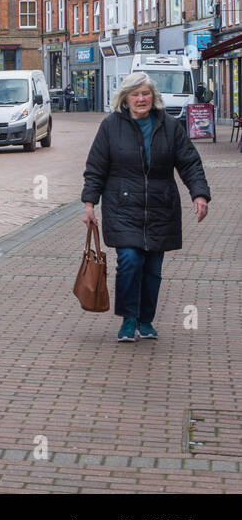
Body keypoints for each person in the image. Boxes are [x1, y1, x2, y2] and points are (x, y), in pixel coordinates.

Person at [82, 71, 210, 342]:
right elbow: (96, 167)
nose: (141, 99)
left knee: (152, 268)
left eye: (146, 93)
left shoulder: (170, 126)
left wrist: (199, 195)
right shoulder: (110, 126)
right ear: (125, 99)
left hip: (160, 206)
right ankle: (129, 320)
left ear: (153, 96)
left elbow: (189, 162)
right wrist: (89, 203)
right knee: (129, 260)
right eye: (135, 94)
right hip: (123, 205)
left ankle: (145, 320)